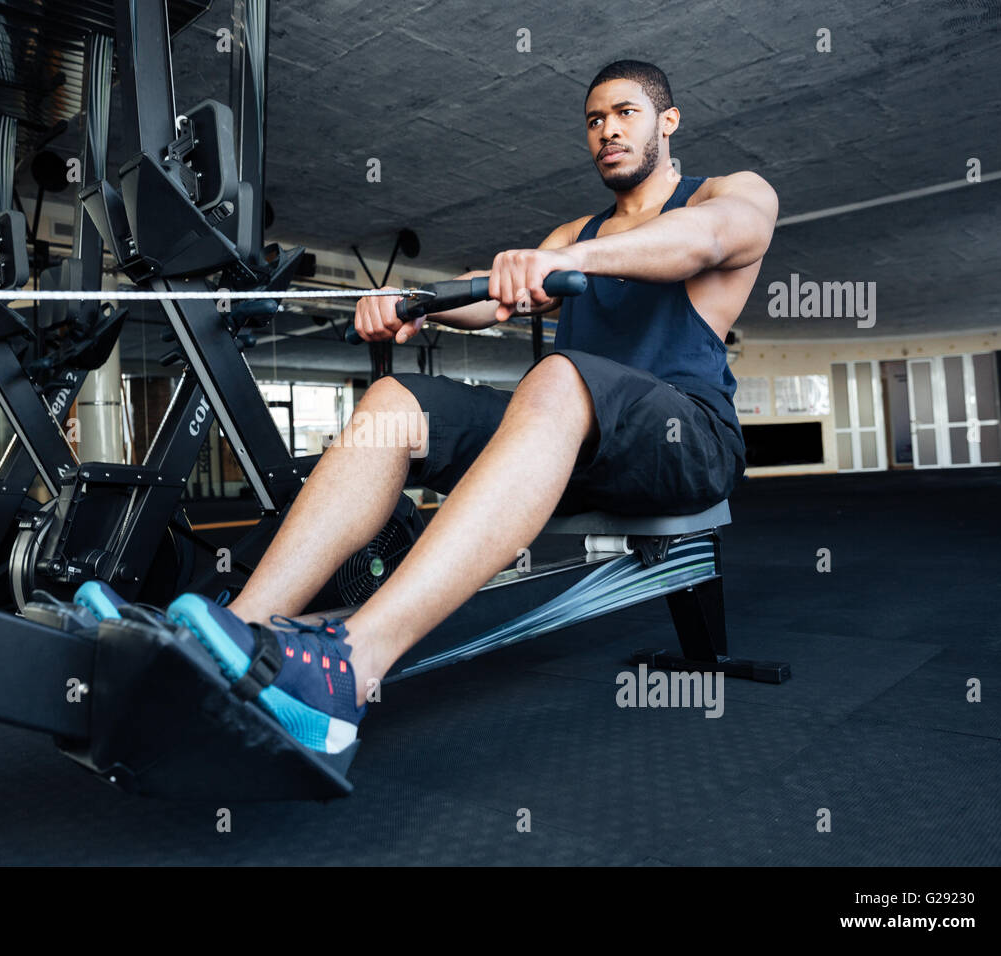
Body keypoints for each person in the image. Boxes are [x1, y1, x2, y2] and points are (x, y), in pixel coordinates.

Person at [165, 59, 778, 754]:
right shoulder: (572, 234)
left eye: (625, 113)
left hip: (687, 441)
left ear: (667, 122)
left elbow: (710, 240)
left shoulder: (728, 194)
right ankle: (238, 632)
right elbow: (491, 295)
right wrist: (416, 304)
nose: (607, 130)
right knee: (397, 399)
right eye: (594, 120)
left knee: (553, 375)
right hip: (572, 444)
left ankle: (353, 668)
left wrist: (569, 263)